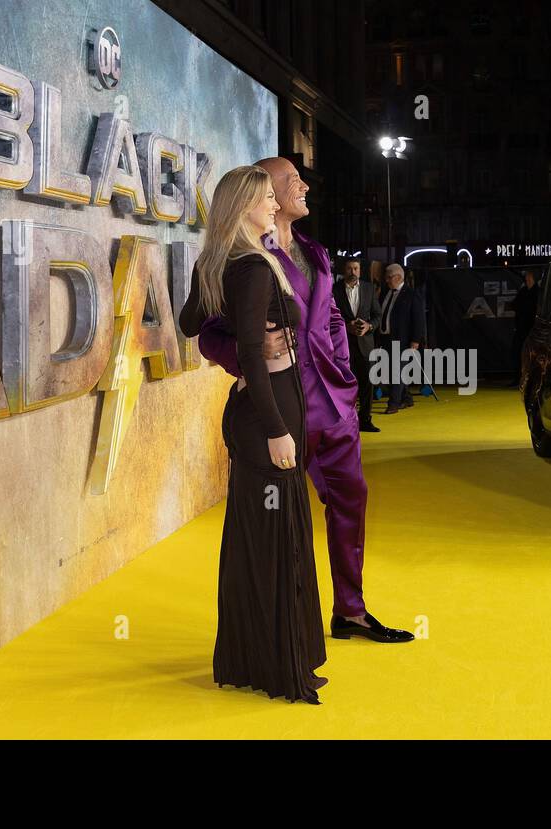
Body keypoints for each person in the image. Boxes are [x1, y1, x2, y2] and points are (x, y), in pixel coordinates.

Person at [183, 157, 413, 644]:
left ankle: (350, 611)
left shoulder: (317, 251)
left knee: (352, 500)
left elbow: (329, 318)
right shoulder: (237, 255)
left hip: (333, 407)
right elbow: (203, 331)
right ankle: (280, 629)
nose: (302, 187)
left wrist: (344, 376)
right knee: (279, 519)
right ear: (262, 192)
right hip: (281, 408)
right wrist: (248, 359)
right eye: (290, 182)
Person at [185, 165, 325, 703]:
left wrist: (209, 265)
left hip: (268, 408)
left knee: (264, 536)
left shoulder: (230, 261)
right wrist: (275, 429)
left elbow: (191, 320)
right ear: (242, 204)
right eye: (267, 197)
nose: (274, 205)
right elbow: (245, 349)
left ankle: (259, 658)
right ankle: (273, 665)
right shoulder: (252, 267)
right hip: (267, 417)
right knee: (274, 538)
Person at [333, 258, 382, 432]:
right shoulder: (334, 290)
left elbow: (378, 315)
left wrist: (369, 326)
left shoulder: (369, 289)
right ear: (344, 270)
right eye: (349, 268)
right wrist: (345, 327)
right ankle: (347, 422)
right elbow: (327, 316)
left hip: (366, 345)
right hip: (342, 346)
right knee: (345, 386)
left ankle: (365, 420)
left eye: (356, 268)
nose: (353, 272)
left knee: (368, 384)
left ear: (360, 271)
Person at [378, 263, 426, 415]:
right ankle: (407, 398)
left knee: (397, 372)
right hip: (386, 339)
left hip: (404, 340)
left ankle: (393, 403)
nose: (386, 280)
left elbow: (419, 319)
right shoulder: (386, 292)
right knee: (393, 371)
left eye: (389, 277)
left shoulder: (412, 294)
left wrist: (415, 340)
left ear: (398, 277)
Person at [510, 271, 539, 386]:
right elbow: (514, 305)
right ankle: (517, 379)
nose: (526, 278)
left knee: (532, 357)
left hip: (532, 331)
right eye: (525, 276)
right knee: (517, 353)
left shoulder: (538, 292)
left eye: (527, 276)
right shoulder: (523, 291)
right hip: (521, 330)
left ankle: (532, 382)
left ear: (532, 277)